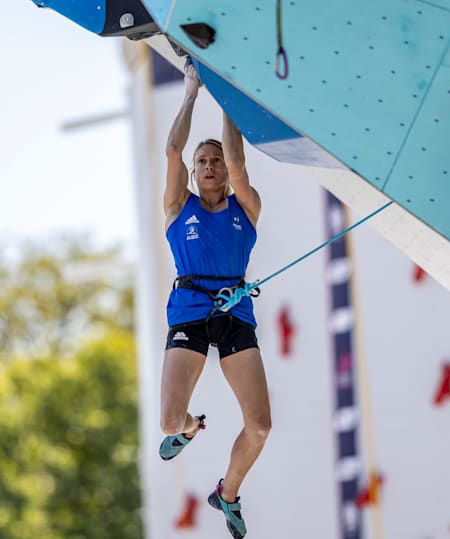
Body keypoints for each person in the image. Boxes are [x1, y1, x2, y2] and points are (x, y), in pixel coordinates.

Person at [157, 62, 270, 539]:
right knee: (167, 421)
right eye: (202, 161)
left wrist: (224, 94)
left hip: (233, 313)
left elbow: (241, 163)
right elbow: (172, 149)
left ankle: (228, 492)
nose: (207, 166)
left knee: (260, 427)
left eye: (215, 160)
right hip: (189, 312)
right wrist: (191, 91)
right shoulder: (176, 206)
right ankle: (188, 429)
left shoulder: (247, 207)